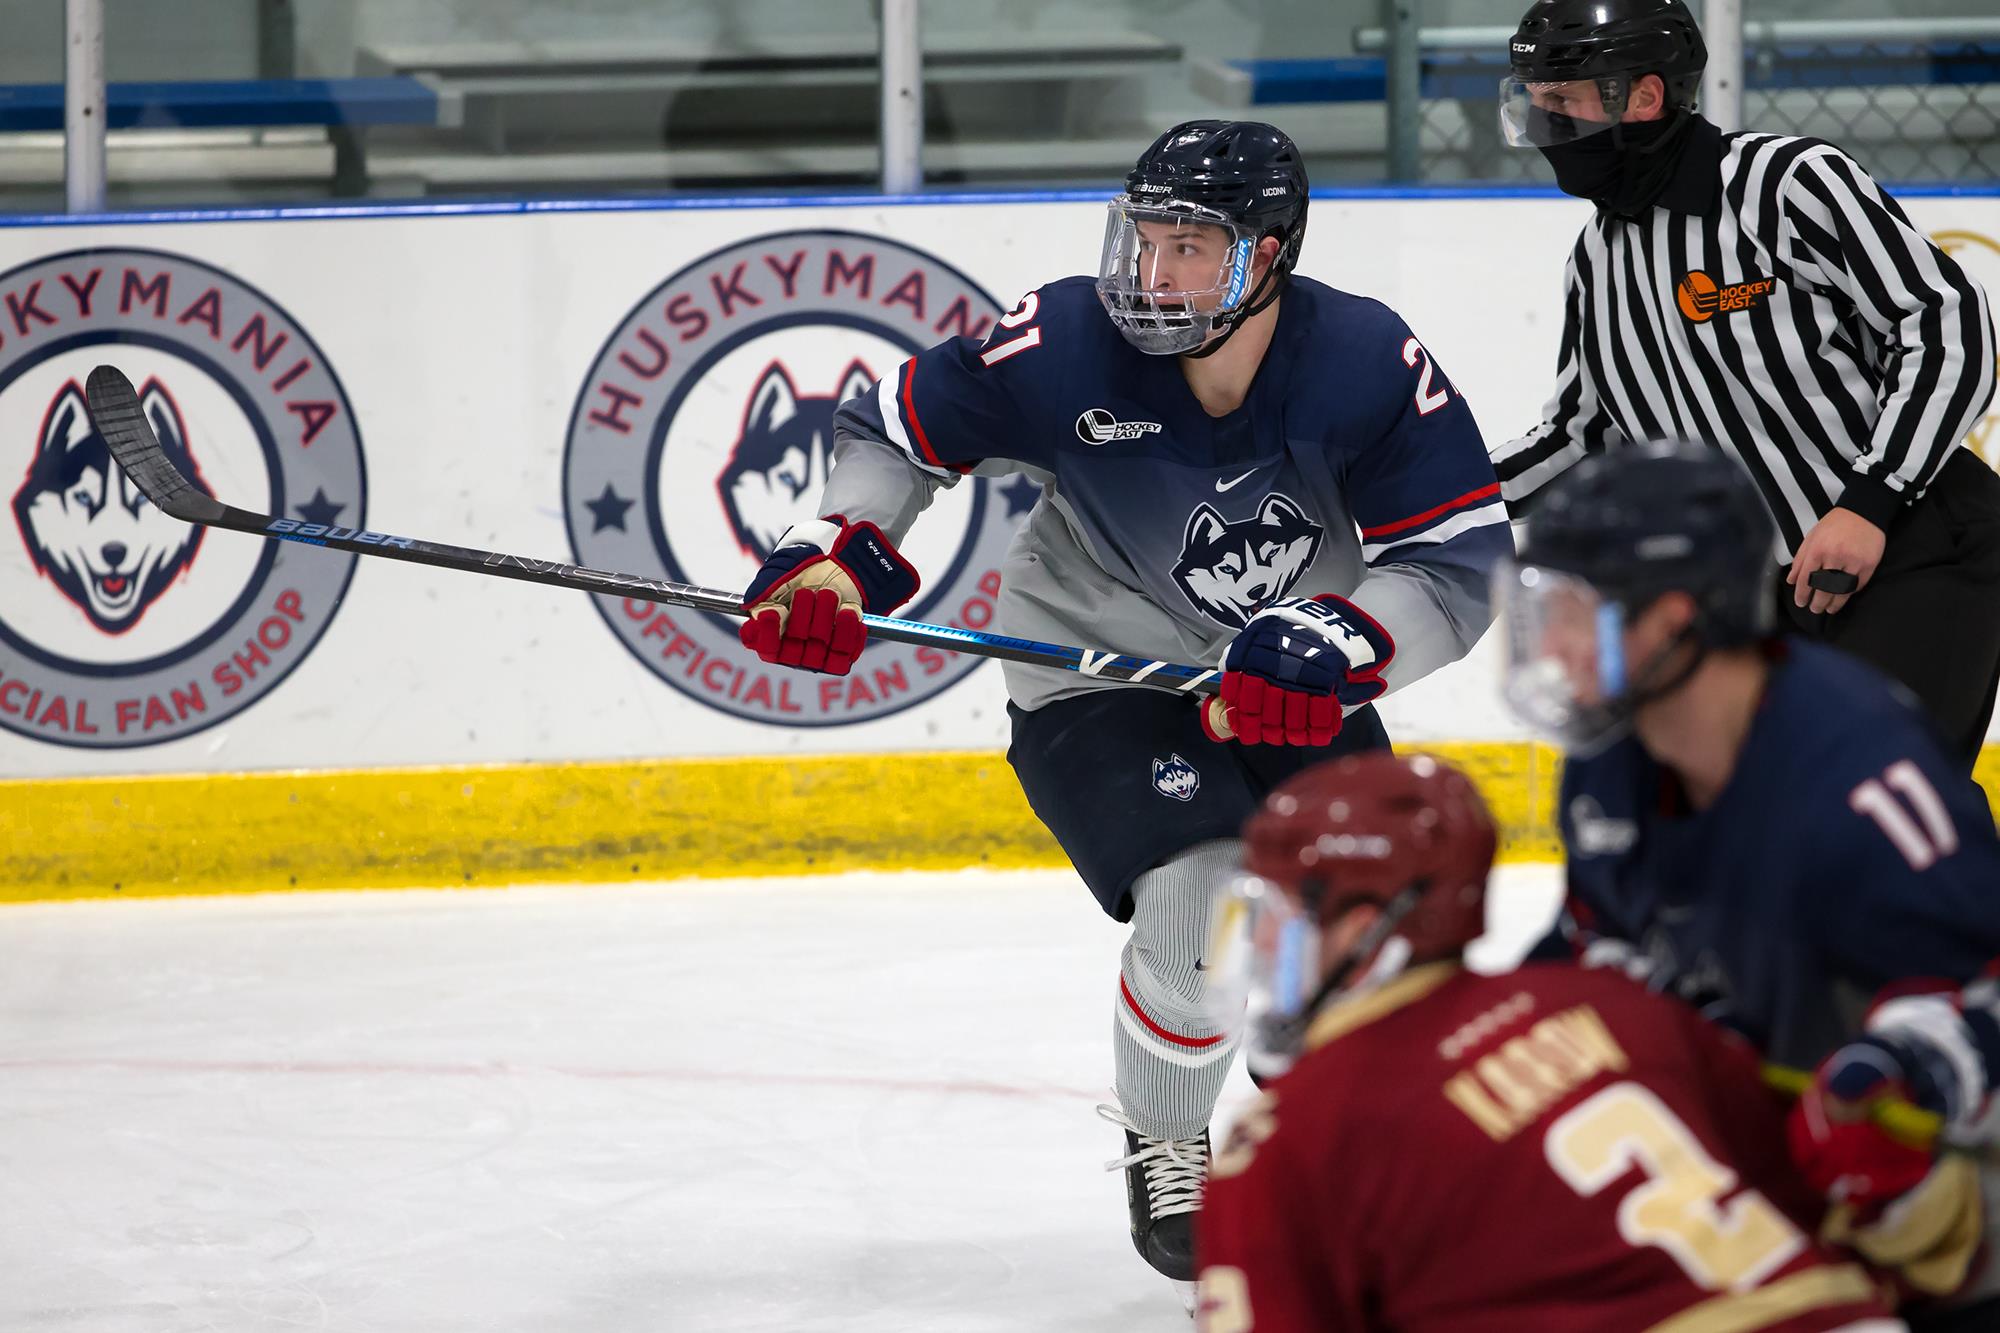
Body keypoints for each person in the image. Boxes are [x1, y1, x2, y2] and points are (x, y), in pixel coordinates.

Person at [733, 119, 1509, 1285]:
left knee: (1359, 907)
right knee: (1196, 890)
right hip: (1094, 666)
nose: (1154, 273)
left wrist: (1343, 637)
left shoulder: (1361, 359)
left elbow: (1455, 558)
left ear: (1270, 255)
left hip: (1287, 668)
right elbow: (897, 429)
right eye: (1145, 239)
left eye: (1193, 248)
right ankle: (1166, 1133)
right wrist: (834, 548)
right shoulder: (1061, 342)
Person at [1499, 440, 2000, 1326]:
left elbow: (1979, 991)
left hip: (1936, 1171)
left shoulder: (1862, 774)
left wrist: (1901, 1080)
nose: (1560, 644)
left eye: (1582, 610)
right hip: (1763, 1163)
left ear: (1680, 617)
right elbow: (1597, 951)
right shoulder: (1611, 763)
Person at [1193, 749, 1904, 1333]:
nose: (1256, 941)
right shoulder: (1611, 1002)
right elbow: (1815, 1196)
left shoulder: (1291, 1137)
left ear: (1366, 929)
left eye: (1277, 913)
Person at [1489, 0, 2000, 769]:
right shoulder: (1596, 260)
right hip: (1768, 597)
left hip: (1913, 546)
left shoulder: (1787, 183)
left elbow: (1942, 320)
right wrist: (1437, 501)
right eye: (1532, 101)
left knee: (1878, 813)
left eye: (1561, 101)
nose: (1540, 125)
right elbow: (1580, 435)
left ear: (1645, 96)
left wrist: (1869, 500)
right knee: (1782, 837)